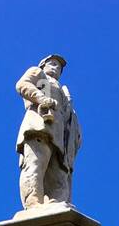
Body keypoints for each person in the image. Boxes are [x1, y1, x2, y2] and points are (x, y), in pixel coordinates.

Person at [15, 54, 81, 209]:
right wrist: (41, 98)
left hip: (61, 139)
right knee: (35, 165)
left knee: (59, 176)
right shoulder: (40, 75)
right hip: (40, 127)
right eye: (52, 63)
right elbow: (22, 84)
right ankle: (33, 204)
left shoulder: (64, 92)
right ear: (43, 65)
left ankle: (56, 204)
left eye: (59, 66)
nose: (56, 67)